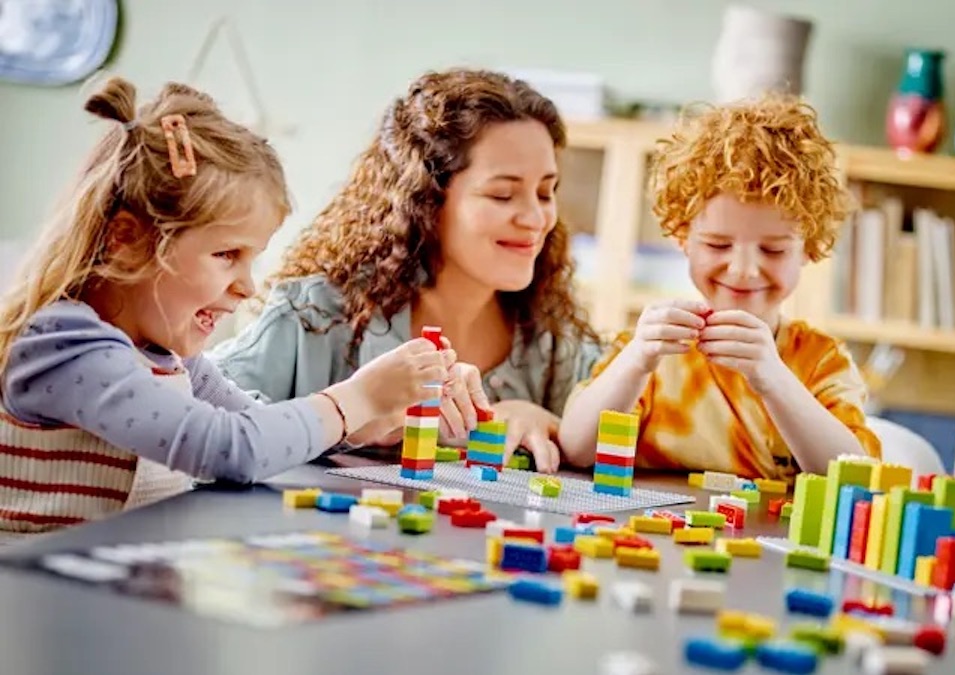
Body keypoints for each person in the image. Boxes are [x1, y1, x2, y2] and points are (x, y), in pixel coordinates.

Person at [0, 77, 483, 539]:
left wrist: (361, 428)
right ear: (127, 241)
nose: (246, 288)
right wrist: (356, 399)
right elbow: (228, 446)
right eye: (226, 255)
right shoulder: (65, 345)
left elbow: (257, 422)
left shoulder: (169, 355)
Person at [211, 68, 600, 473]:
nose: (536, 218)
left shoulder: (552, 340)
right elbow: (197, 421)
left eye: (545, 192)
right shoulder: (315, 315)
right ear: (427, 199)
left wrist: (547, 421)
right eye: (502, 194)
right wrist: (348, 416)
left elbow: (630, 424)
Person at [559, 93, 881, 479]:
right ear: (682, 236)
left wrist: (772, 377)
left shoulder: (819, 361)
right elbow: (576, 449)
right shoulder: (650, 349)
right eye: (718, 244)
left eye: (773, 249)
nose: (744, 269)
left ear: (809, 248)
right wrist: (637, 361)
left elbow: (857, 476)